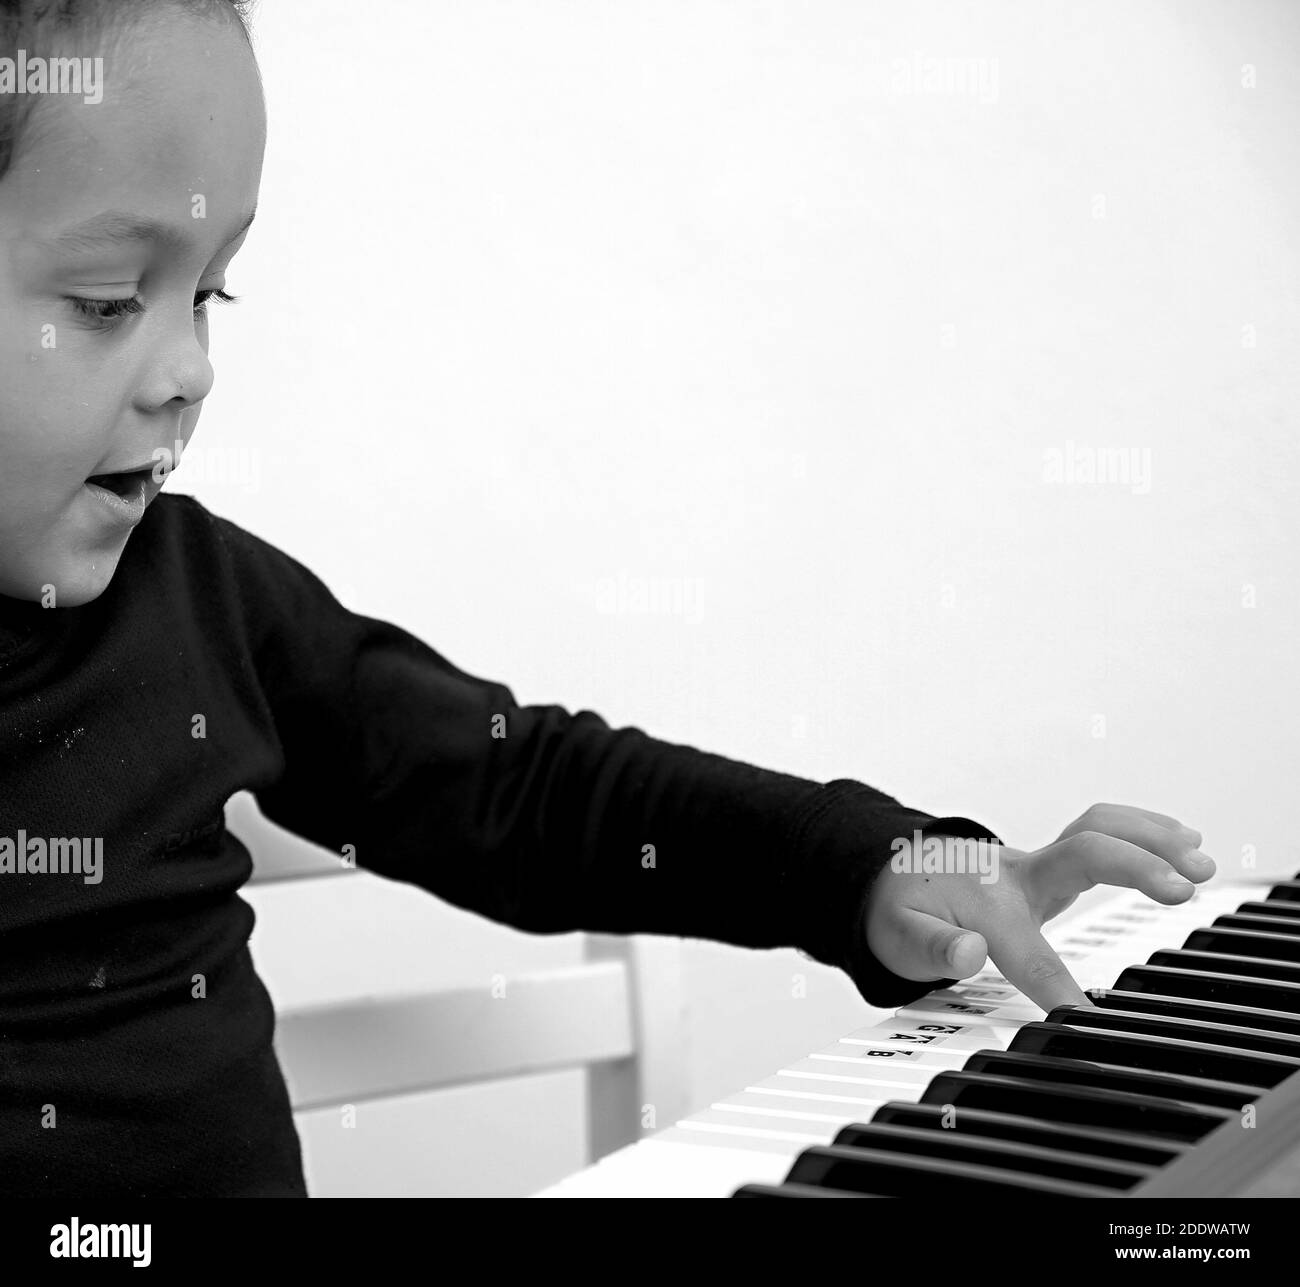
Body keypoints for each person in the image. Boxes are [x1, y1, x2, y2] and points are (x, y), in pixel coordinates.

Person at [0, 0, 1215, 1197]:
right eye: (109, 300)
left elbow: (521, 789)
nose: (192, 370)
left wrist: (864, 868)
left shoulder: (197, 591)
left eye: (212, 292)